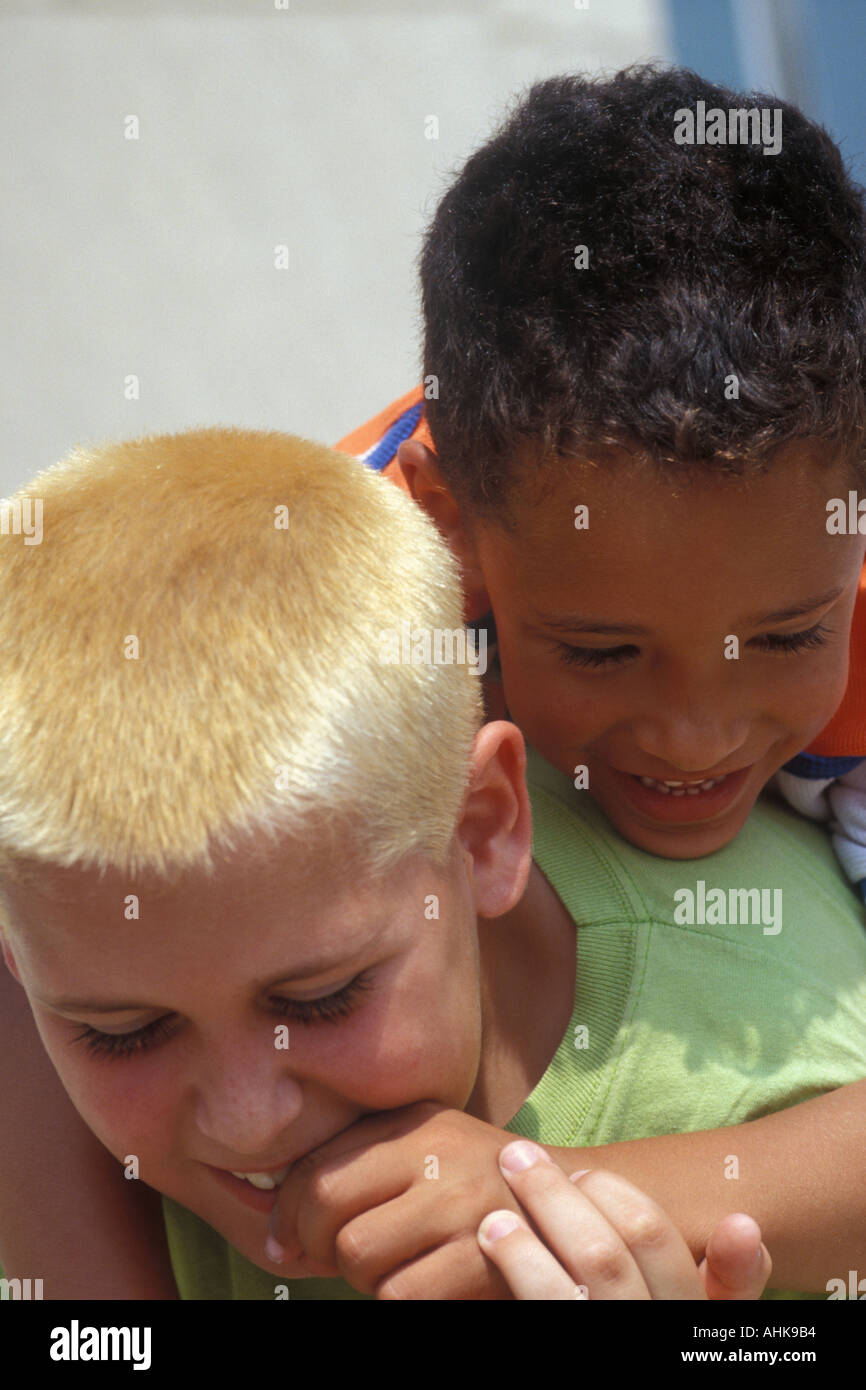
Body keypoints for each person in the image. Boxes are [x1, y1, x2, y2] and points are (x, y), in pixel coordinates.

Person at [0, 426, 862, 1302]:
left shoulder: (772, 1096)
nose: (247, 1120)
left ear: (487, 831)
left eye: (321, 999)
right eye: (123, 1032)